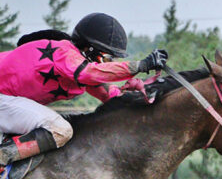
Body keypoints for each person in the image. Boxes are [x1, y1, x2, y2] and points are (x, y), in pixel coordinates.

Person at [0, 13, 168, 167]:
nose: (107, 63)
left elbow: (111, 96)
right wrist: (140, 66)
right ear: (89, 49)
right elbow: (91, 72)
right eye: (107, 57)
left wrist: (139, 93)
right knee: (60, 130)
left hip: (6, 99)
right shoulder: (64, 54)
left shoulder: (76, 67)